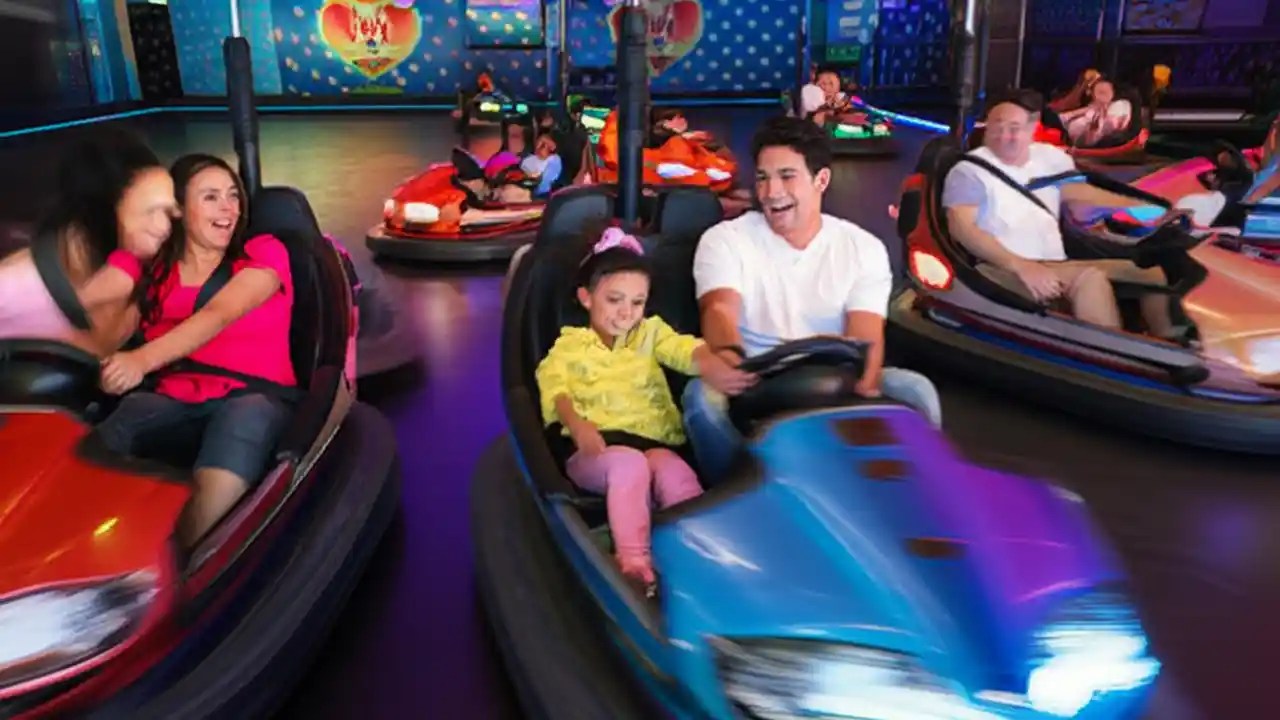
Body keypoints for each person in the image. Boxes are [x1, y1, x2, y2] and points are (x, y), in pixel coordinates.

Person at [681, 116, 944, 484]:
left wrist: (865, 387)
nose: (771, 192)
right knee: (700, 399)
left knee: (916, 390)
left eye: (786, 176)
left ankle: (913, 493)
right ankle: (741, 489)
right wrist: (728, 356)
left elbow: (866, 333)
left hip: (837, 373)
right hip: (755, 377)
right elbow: (719, 308)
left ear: (821, 180)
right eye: (762, 178)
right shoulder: (726, 240)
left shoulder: (862, 247)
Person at [95, 154, 296, 550]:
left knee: (243, 421)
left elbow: (219, 314)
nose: (228, 208)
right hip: (173, 398)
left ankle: (191, 566)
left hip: (253, 395)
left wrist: (140, 361)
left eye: (233, 196)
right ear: (179, 211)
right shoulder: (155, 272)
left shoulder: (262, 253)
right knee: (113, 431)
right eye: (211, 197)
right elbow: (104, 323)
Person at [535, 227, 752, 593]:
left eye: (637, 303)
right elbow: (555, 389)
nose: (626, 313)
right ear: (586, 298)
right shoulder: (569, 346)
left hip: (652, 444)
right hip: (593, 448)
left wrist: (711, 362)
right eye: (614, 300)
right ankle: (634, 565)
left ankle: (701, 554)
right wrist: (578, 425)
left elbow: (682, 348)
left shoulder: (650, 333)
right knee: (629, 465)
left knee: (675, 471)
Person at [942, 89, 1177, 337]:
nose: (1003, 135)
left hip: (1055, 263)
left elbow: (1079, 196)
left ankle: (1168, 344)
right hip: (1000, 267)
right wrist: (1021, 266)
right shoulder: (970, 171)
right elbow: (962, 228)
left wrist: (1146, 211)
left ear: (1032, 128)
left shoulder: (1048, 158)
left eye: (1013, 128)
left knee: (1152, 273)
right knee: (1088, 279)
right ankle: (1106, 353)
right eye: (996, 126)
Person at [0, 130, 175, 353]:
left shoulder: (137, 274)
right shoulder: (14, 287)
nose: (163, 228)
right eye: (150, 210)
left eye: (166, 213)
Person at [1060, 80, 1133, 147]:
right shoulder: (1091, 109)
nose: (1102, 95)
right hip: (1072, 136)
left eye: (1105, 92)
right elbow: (1066, 117)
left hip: (1092, 142)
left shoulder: (1120, 106)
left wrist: (1096, 126)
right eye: (1100, 92)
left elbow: (1120, 127)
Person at [519, 130, 563, 197]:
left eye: (543, 145)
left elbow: (546, 184)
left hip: (541, 195)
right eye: (538, 144)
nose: (538, 148)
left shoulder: (554, 160)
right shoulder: (528, 160)